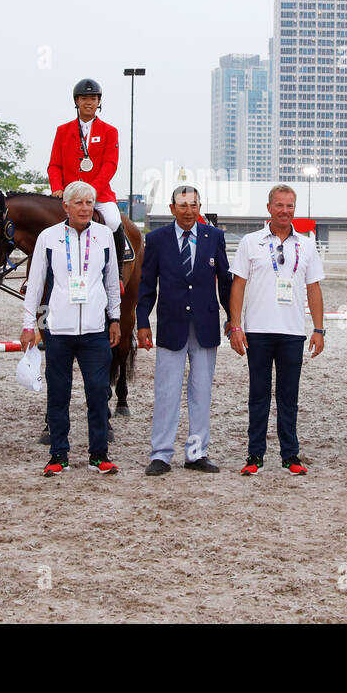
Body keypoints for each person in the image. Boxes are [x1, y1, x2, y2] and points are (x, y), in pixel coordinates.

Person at [20, 180, 122, 476]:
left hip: (95, 329)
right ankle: (58, 454)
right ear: (65, 206)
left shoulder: (104, 235)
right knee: (59, 393)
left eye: (89, 203)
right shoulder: (48, 238)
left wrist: (114, 319)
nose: (85, 208)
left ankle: (99, 454)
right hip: (58, 330)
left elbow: (112, 282)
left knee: (98, 390)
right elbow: (36, 283)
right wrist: (29, 323)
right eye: (78, 203)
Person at [227, 184, 325, 476]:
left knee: (288, 397)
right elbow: (238, 285)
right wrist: (235, 326)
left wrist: (319, 329)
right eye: (279, 205)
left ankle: (290, 455)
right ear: (269, 207)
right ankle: (254, 456)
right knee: (258, 396)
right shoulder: (250, 242)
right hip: (257, 330)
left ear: (295, 208)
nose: (285, 211)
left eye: (290, 206)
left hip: (293, 332)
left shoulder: (306, 244)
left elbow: (314, 289)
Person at [136, 185, 232, 475]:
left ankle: (196, 452)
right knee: (166, 392)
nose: (189, 211)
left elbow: (225, 282)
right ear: (172, 208)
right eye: (183, 205)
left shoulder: (214, 237)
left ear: (199, 207)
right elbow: (146, 286)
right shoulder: (156, 240)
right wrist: (142, 323)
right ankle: (161, 454)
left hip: (205, 326)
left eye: (193, 205)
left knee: (201, 392)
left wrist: (233, 318)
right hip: (170, 325)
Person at [48, 79, 128, 282]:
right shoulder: (62, 131)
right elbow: (54, 165)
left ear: (99, 102)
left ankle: (116, 274)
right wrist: (57, 188)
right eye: (84, 98)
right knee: (47, 224)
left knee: (113, 220)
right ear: (76, 101)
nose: (89, 102)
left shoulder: (110, 131)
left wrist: (91, 192)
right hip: (67, 193)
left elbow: (110, 165)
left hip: (99, 194)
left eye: (93, 98)